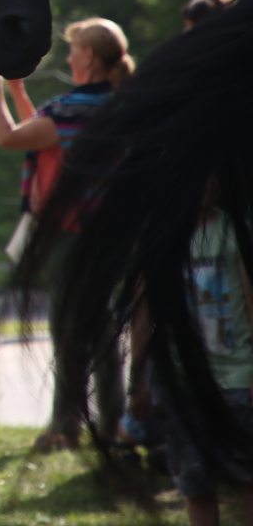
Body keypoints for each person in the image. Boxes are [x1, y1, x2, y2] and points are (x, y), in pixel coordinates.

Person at [0, 17, 133, 450]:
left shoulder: (70, 109)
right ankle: (112, 421)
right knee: (103, 327)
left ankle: (65, 424)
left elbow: (11, 137)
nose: (69, 57)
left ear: (88, 56)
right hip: (109, 234)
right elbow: (47, 137)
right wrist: (19, 92)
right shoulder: (122, 104)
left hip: (68, 236)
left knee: (68, 328)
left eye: (73, 50)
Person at [138, 180, 253, 526]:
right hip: (182, 384)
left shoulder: (234, 231)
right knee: (196, 487)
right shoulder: (160, 239)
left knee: (248, 479)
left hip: (236, 378)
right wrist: (138, 381)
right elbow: (142, 312)